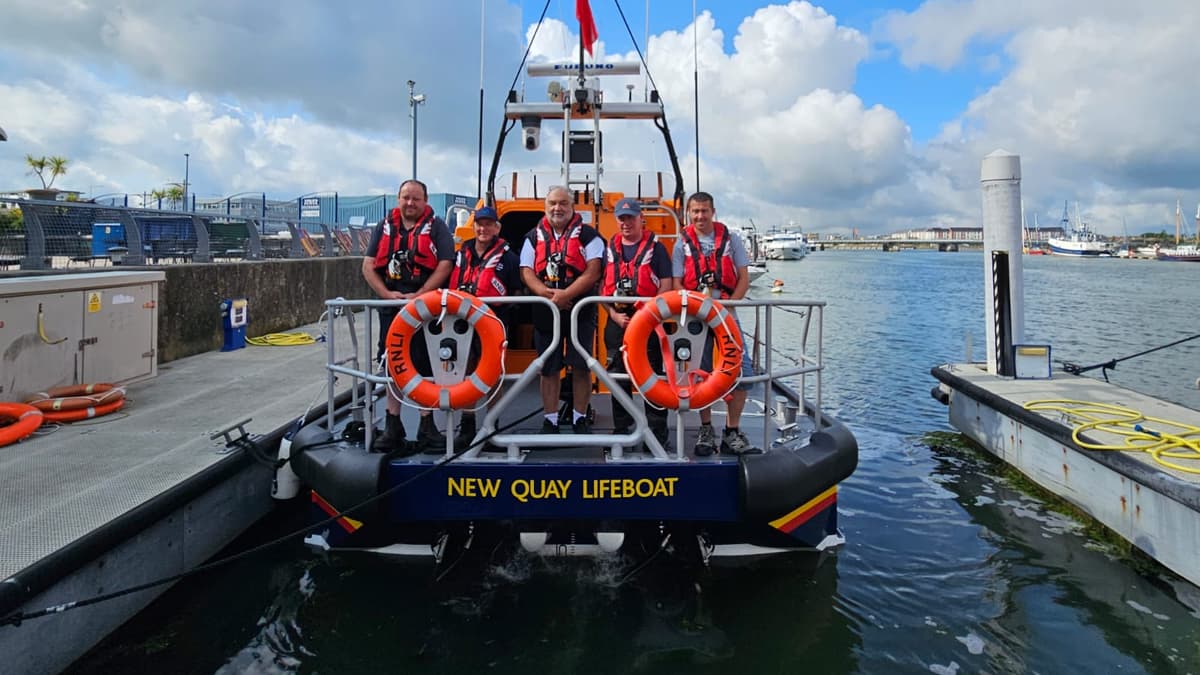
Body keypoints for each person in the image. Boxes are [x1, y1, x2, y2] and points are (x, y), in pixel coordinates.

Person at [362, 179, 455, 453]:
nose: (410, 203)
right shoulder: (383, 227)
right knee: (392, 363)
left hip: (426, 308)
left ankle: (427, 424)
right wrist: (386, 294)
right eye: (405, 198)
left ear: (425, 201)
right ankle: (393, 423)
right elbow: (368, 266)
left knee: (425, 363)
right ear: (398, 199)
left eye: (416, 198)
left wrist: (421, 295)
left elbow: (445, 264)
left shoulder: (437, 228)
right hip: (392, 307)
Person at [671, 191, 761, 455]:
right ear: (689, 213)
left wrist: (727, 306)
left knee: (742, 371)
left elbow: (743, 278)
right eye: (695, 211)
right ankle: (706, 429)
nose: (700, 216)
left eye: (704, 211)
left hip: (726, 314)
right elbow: (677, 284)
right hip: (697, 317)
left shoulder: (731, 240)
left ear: (713, 212)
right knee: (701, 373)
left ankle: (732, 431)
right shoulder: (681, 244)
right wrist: (695, 309)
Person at [520, 186, 604, 434]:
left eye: (563, 203)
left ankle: (579, 417)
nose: (557, 208)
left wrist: (566, 295)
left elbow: (593, 271)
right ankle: (551, 419)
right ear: (545, 207)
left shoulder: (590, 236)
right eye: (553, 203)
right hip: (546, 308)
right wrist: (550, 296)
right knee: (548, 366)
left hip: (580, 308)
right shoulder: (532, 237)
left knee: (581, 365)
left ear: (572, 207)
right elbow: (526, 271)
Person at [601, 197, 673, 450]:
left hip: (648, 324)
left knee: (652, 376)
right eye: (622, 218)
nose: (626, 223)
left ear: (640, 218)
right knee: (617, 376)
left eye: (630, 217)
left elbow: (665, 284)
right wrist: (613, 314)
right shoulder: (609, 248)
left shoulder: (657, 249)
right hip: (618, 322)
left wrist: (648, 315)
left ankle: (657, 431)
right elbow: (602, 289)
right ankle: (622, 428)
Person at [448, 205, 521, 450]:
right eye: (479, 224)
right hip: (462, 323)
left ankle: (492, 426)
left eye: (489, 224)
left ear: (497, 228)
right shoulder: (461, 253)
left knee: (493, 376)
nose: (483, 228)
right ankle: (467, 425)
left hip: (493, 322)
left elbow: (516, 290)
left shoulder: (509, 258)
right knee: (466, 373)